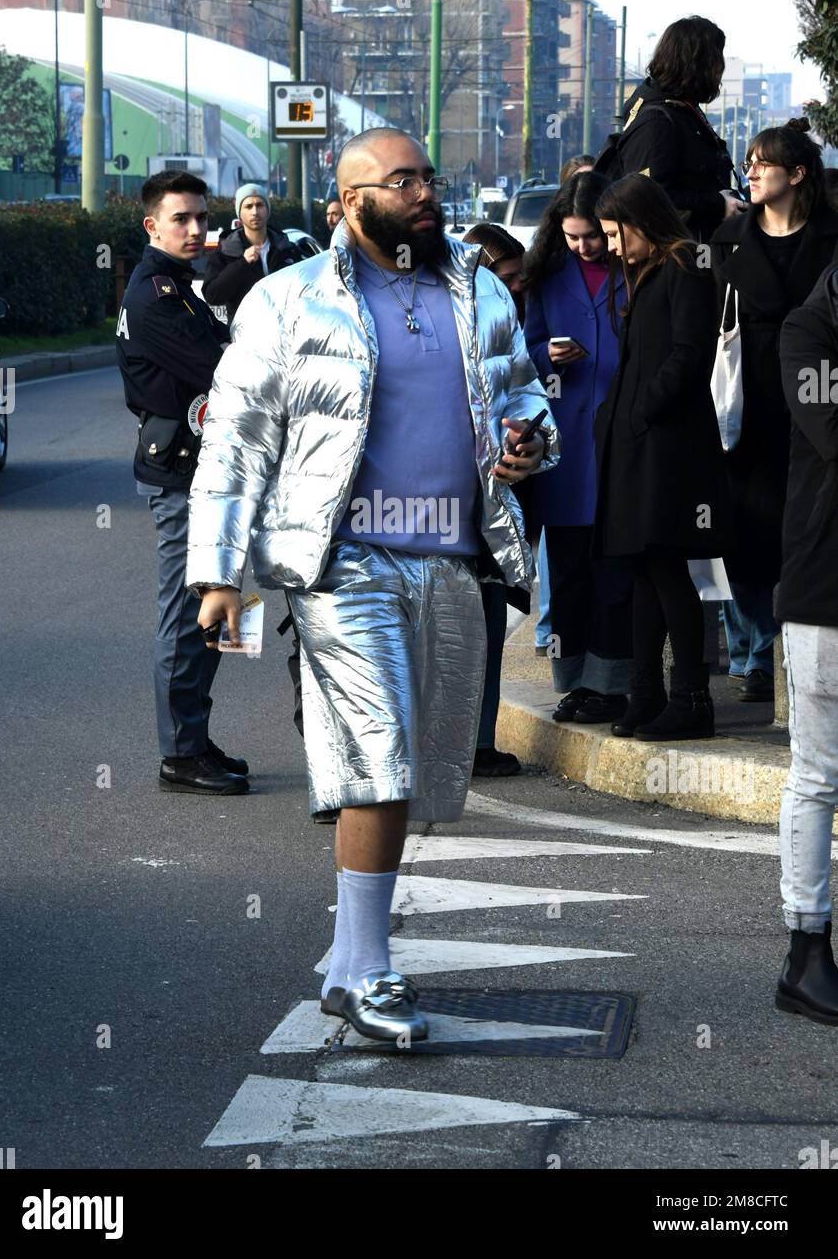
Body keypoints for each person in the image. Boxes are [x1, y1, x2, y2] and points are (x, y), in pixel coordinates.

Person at [187, 127, 557, 1043]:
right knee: (381, 752)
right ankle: (369, 970)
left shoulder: (474, 289)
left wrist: (527, 441)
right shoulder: (288, 301)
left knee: (429, 767)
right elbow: (234, 439)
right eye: (403, 181)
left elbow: (525, 395)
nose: (425, 192)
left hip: (448, 556)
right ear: (350, 202)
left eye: (428, 175)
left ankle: (351, 965)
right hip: (341, 560)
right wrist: (219, 573)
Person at [115, 170, 249, 796]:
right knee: (185, 612)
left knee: (212, 605)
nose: (196, 229)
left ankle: (193, 737)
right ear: (152, 226)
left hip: (200, 468)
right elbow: (221, 368)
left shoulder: (182, 287)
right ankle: (178, 755)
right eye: (181, 219)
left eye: (202, 217)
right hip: (179, 471)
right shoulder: (157, 294)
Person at [593, 173, 729, 740]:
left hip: (667, 448)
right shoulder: (650, 271)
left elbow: (689, 353)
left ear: (641, 219)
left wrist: (643, 409)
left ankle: (691, 699)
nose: (614, 246)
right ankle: (646, 693)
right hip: (637, 445)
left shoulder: (684, 267)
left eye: (617, 233)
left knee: (669, 571)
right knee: (645, 570)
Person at [711, 118, 838, 703]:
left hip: (815, 403)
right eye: (749, 161)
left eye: (764, 162)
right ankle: (753, 653)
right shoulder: (728, 242)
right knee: (744, 533)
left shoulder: (832, 240)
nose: (752, 170)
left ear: (799, 173)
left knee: (803, 527)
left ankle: (790, 649)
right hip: (747, 400)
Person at [522, 171, 634, 724]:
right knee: (566, 570)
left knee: (614, 570)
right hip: (562, 441)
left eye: (592, 235)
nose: (585, 246)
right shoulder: (546, 273)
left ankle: (611, 683)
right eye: (572, 237)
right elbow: (525, 347)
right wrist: (548, 355)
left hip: (618, 439)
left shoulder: (631, 267)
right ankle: (573, 681)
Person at [774, 264, 838, 1024]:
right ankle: (806, 951)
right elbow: (830, 430)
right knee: (819, 773)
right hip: (827, 581)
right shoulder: (808, 328)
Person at [462, 223, 528, 777]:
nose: (514, 287)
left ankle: (480, 742)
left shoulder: (509, 324)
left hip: (496, 495)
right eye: (504, 278)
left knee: (489, 616)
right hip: (449, 502)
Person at [595, 17, 745, 243]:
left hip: (693, 250)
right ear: (697, 64)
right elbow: (648, 198)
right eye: (716, 60)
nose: (720, 71)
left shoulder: (679, 110)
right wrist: (717, 205)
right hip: (675, 259)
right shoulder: (656, 121)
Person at [201, 183, 301, 326]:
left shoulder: (285, 248)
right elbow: (212, 295)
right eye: (248, 206)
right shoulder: (226, 250)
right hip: (245, 336)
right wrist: (242, 263)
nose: (255, 212)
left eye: (259, 205)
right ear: (239, 213)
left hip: (283, 334)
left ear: (267, 210)